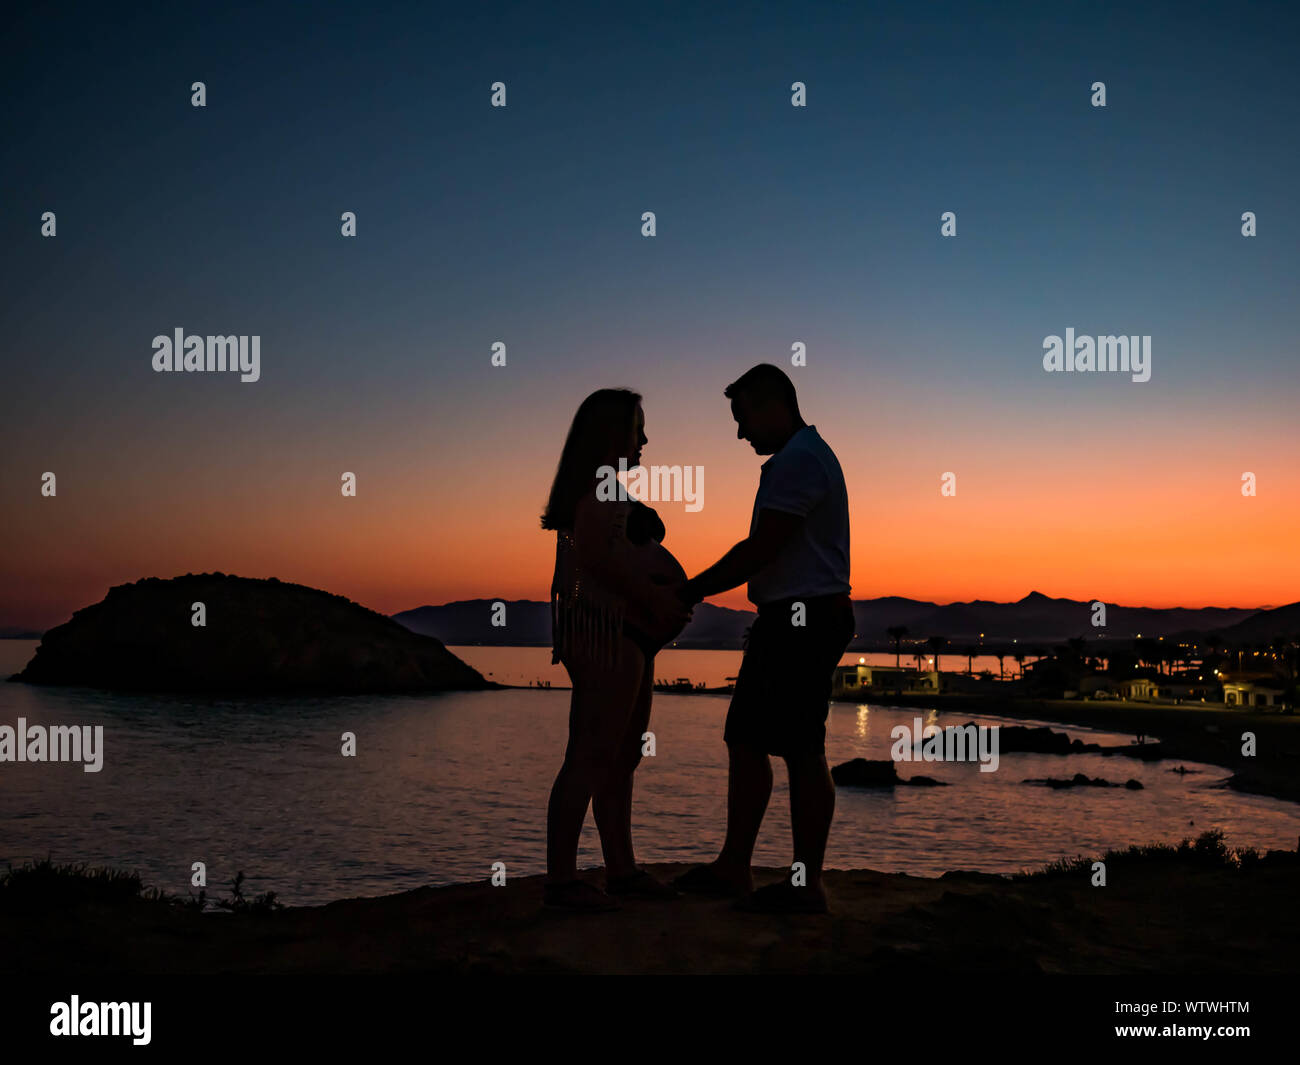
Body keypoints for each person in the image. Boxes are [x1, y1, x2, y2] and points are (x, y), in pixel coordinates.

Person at [673, 364, 853, 913]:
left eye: (742, 417)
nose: (739, 432)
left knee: (801, 747)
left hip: (804, 618)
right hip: (793, 617)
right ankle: (737, 868)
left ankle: (804, 885)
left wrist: (689, 590)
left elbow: (761, 547)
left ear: (773, 404)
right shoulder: (798, 458)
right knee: (748, 738)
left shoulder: (799, 460)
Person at [540, 388, 692, 911]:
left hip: (627, 635)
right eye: (637, 429)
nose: (646, 439)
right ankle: (561, 881)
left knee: (622, 756)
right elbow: (598, 562)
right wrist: (654, 596)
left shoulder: (609, 491)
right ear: (610, 435)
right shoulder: (598, 493)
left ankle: (621, 869)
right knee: (589, 754)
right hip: (607, 635)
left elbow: (614, 553)